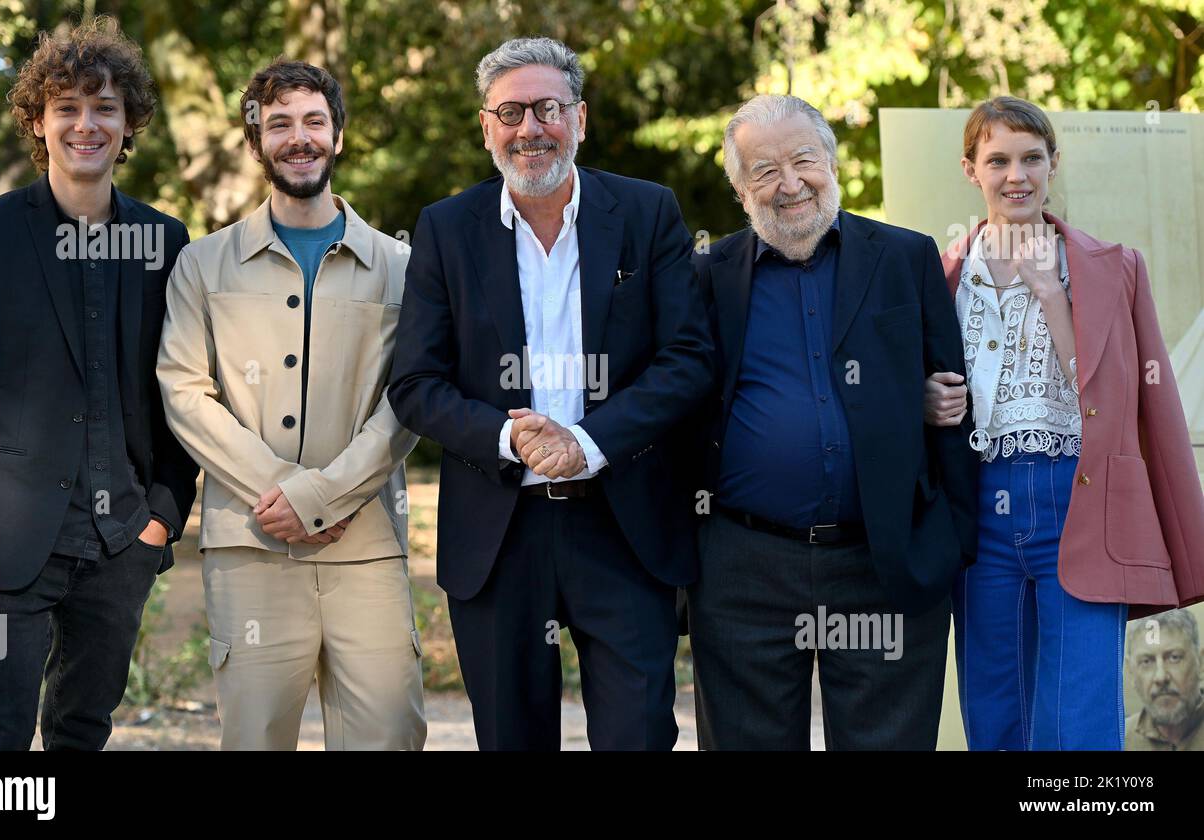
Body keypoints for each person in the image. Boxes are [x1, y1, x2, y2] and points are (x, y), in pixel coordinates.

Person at [388, 36, 715, 750]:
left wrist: (588, 443)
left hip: (623, 524)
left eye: (546, 109)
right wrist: (510, 438)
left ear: (580, 118)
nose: (529, 129)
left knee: (637, 735)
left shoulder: (646, 212)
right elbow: (415, 383)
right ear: (486, 128)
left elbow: (688, 359)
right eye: (510, 112)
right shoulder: (447, 229)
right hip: (500, 535)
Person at [0, 16, 199, 750]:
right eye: (66, 107)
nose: (86, 124)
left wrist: (161, 517)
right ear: (37, 122)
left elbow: (182, 387)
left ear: (128, 120)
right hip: (5, 546)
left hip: (121, 542)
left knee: (83, 730)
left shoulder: (166, 241)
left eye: (105, 106)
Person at [686, 94, 977, 750]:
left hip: (884, 561)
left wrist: (952, 540)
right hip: (743, 568)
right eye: (763, 171)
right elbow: (675, 403)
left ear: (832, 161)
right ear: (739, 190)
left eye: (803, 161)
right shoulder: (705, 277)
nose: (789, 184)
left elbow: (953, 401)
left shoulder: (906, 258)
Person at [157, 59, 425, 750]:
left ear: (338, 136)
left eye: (313, 121)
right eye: (278, 124)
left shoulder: (402, 265)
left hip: (366, 545)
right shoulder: (203, 264)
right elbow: (184, 391)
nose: (297, 138)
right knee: (254, 738)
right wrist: (285, 494)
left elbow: (410, 399)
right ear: (255, 142)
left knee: (390, 734)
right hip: (251, 542)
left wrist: (328, 495)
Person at [925, 96, 1204, 749]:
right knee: (995, 706)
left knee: (1077, 713)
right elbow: (913, 387)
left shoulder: (1112, 266)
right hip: (980, 507)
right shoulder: (940, 273)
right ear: (971, 169)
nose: (1016, 174)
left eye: (1032, 158)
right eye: (998, 160)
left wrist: (1054, 294)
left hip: (1078, 499)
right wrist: (923, 400)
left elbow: (1125, 394)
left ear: (1055, 163)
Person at [1124, 610, 1204, 750]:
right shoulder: (1116, 742)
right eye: (1147, 661)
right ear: (1131, 671)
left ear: (1201, 661)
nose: (1160, 677)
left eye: (1174, 657)